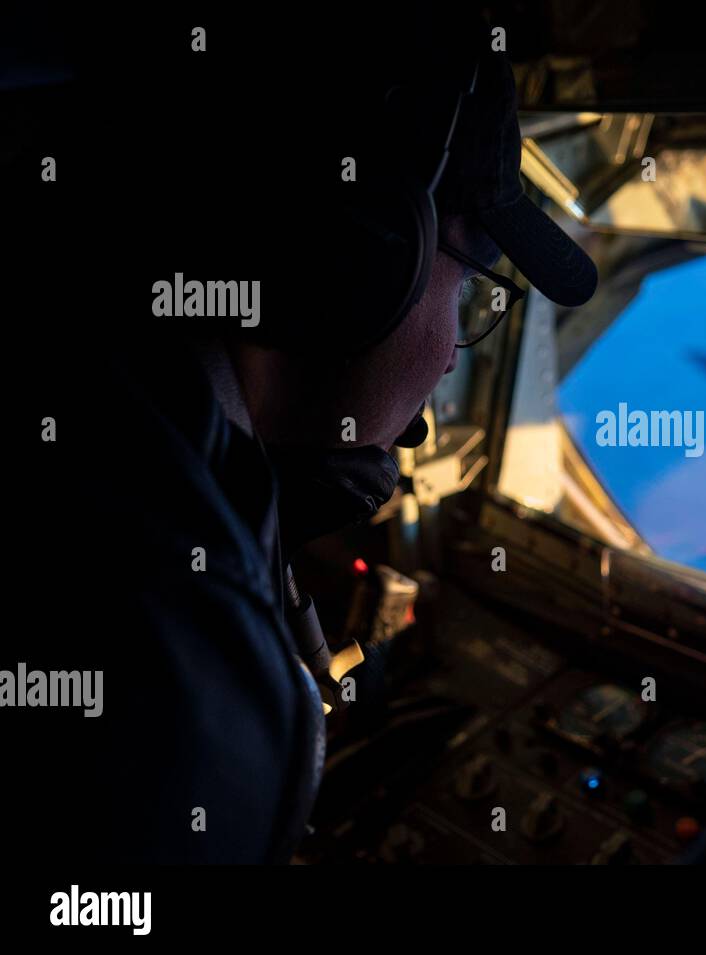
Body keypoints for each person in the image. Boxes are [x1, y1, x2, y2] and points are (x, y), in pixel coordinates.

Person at [6, 19, 595, 863]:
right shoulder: (179, 673)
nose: (447, 353)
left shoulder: (97, 393)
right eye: (465, 291)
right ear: (363, 255)